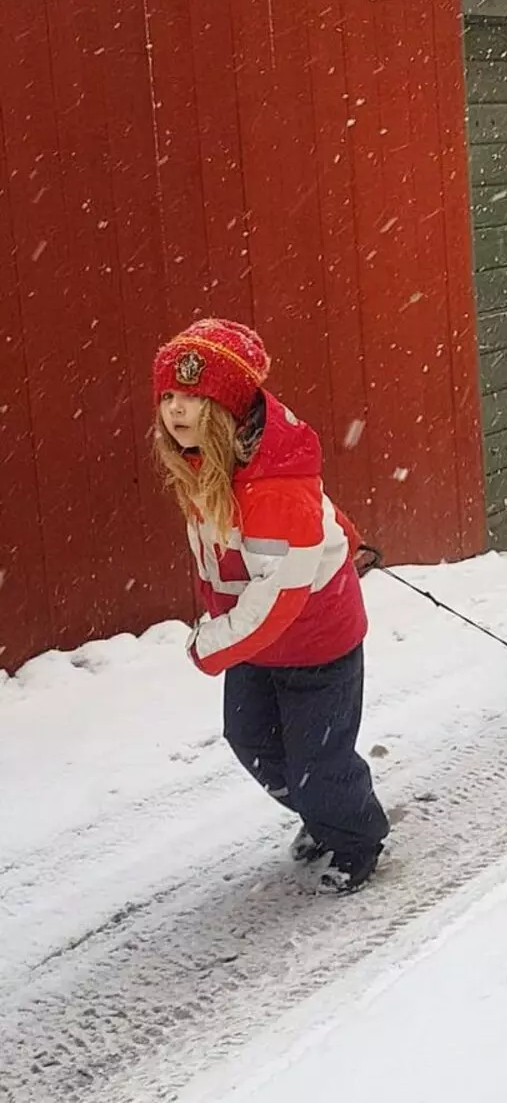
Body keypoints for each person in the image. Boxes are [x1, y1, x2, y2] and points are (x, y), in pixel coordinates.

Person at [152, 318, 389, 894]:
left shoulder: (273, 485)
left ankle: (356, 839)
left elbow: (277, 596)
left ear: (227, 408)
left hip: (314, 643)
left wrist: (210, 645)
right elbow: (316, 514)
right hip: (258, 643)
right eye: (169, 396)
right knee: (251, 740)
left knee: (319, 764)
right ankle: (321, 812)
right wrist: (347, 541)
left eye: (194, 397)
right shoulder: (212, 461)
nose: (177, 410)